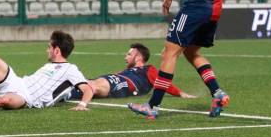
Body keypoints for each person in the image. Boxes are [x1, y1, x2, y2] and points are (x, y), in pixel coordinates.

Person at [68, 43, 196, 101]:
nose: (125, 57)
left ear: (139, 57)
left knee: (94, 86)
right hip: (115, 79)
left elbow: (162, 82)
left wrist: (180, 93)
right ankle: (65, 93)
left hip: (124, 84)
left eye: (129, 54)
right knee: (84, 84)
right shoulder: (127, 70)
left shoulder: (148, 69)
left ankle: (66, 94)